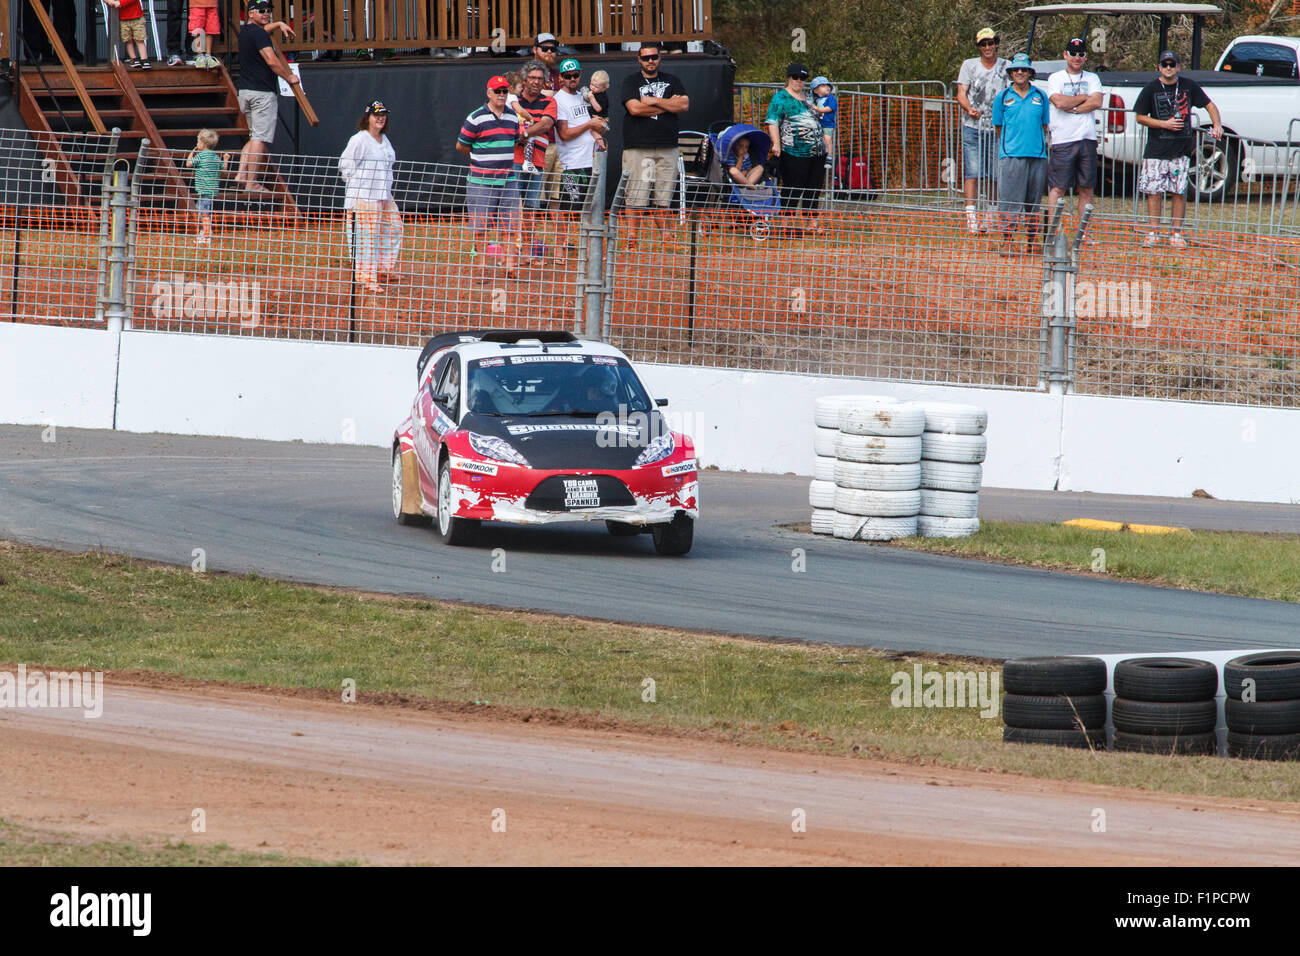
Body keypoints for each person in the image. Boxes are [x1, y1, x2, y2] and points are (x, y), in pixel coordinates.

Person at [1134, 50, 1223, 249]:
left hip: (1181, 150)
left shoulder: (1188, 86)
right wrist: (1163, 124)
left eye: (1172, 64)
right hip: (1156, 151)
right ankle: (1154, 232)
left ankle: (1176, 233)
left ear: (1178, 67)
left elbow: (1209, 105)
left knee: (1179, 192)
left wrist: (1217, 124)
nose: (1168, 68)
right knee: (1154, 192)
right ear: (1159, 67)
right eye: (1164, 64)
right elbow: (1140, 116)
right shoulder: (1151, 88)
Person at [456, 75, 524, 276]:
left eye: (504, 91)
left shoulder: (513, 117)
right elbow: (461, 145)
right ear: (488, 93)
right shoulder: (475, 117)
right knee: (480, 226)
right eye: (497, 91)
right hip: (480, 181)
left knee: (510, 225)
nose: (501, 95)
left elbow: (514, 141)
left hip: (508, 179)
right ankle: (483, 267)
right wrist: (478, 158)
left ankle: (510, 267)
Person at [621, 41, 690, 232]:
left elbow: (683, 105)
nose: (650, 61)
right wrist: (668, 104)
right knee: (636, 196)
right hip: (639, 147)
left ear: (660, 57)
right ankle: (632, 239)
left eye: (654, 57)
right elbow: (634, 109)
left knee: (664, 196)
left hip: (668, 146)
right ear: (639, 59)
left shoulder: (673, 80)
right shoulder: (631, 82)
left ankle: (666, 238)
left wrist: (654, 101)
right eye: (646, 58)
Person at [235, 0, 299, 194]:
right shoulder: (260, 34)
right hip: (261, 93)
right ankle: (251, 182)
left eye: (268, 11)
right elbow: (272, 61)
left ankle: (241, 174)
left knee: (254, 135)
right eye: (261, 11)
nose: (266, 14)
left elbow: (262, 31)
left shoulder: (246, 31)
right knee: (260, 138)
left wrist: (278, 24)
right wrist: (289, 77)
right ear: (251, 13)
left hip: (245, 91)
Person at [340, 100, 402, 294]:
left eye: (383, 114)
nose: (380, 118)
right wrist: (357, 188)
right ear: (368, 118)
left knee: (394, 228)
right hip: (364, 196)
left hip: (383, 194)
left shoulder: (384, 139)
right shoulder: (359, 139)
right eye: (376, 115)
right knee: (367, 237)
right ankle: (367, 277)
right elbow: (345, 164)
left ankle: (383, 268)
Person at [992, 53, 1050, 256]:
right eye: (1016, 69)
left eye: (1023, 69)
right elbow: (998, 127)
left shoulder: (1040, 96)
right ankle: (1007, 242)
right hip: (1011, 156)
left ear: (1029, 73)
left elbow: (1044, 125)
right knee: (1009, 200)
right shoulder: (1002, 97)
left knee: (1033, 201)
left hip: (1037, 156)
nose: (1019, 72)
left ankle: (1032, 243)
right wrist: (1011, 145)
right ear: (1011, 73)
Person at [956, 28, 1009, 233]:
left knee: (996, 173)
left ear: (996, 43)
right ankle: (971, 218)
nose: (987, 47)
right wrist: (969, 108)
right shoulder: (969, 65)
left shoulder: (1008, 66)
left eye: (990, 43)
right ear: (978, 47)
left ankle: (990, 216)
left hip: (996, 129)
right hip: (973, 127)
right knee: (973, 171)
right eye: (983, 44)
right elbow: (961, 92)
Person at [1046, 37, 1103, 220]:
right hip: (1063, 140)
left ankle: (1084, 234)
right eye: (1073, 53)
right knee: (1058, 188)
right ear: (1065, 55)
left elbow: (1097, 101)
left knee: (1086, 187)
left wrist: (1075, 108)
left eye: (1081, 54)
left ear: (1085, 57)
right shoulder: (1056, 78)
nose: (1077, 57)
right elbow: (1059, 102)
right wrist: (1084, 97)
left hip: (1087, 139)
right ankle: (1052, 233)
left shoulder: (1092, 77)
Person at [765, 62, 826, 227]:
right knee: (793, 185)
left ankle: (811, 220)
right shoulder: (781, 97)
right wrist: (776, 143)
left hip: (818, 151)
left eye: (803, 78)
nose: (799, 81)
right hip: (793, 150)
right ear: (789, 78)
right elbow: (772, 121)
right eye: (796, 77)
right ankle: (786, 220)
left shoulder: (808, 98)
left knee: (813, 186)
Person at [511, 61, 559, 262]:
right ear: (524, 79)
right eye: (532, 78)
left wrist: (523, 134)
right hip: (514, 159)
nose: (536, 82)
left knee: (531, 207)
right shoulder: (512, 100)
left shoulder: (549, 103)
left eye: (540, 78)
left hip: (536, 161)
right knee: (513, 206)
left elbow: (546, 125)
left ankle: (528, 251)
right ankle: (513, 251)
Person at [554, 58, 608, 223]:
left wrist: (599, 126)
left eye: (575, 75)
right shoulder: (558, 99)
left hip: (592, 162)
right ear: (561, 78)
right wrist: (590, 124)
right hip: (572, 165)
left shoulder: (584, 96)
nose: (572, 79)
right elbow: (564, 134)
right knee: (569, 212)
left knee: (592, 209)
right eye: (567, 75)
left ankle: (588, 248)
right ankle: (563, 248)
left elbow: (600, 124)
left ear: (580, 75)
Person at [532, 33, 564, 205]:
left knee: (556, 195)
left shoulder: (560, 75)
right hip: (538, 141)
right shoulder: (525, 74)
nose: (550, 52)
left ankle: (559, 233)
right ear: (535, 50)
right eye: (545, 49)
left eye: (553, 49)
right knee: (534, 195)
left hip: (560, 139)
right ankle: (531, 232)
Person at [186, 129, 228, 245]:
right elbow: (223, 168)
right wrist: (225, 160)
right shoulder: (215, 156)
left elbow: (188, 164)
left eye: (198, 142)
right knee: (201, 210)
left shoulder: (200, 156)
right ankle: (207, 231)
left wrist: (191, 153)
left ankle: (206, 236)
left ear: (203, 144)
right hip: (211, 189)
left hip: (204, 188)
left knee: (204, 213)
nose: (196, 144)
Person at [105, 0, 152, 69]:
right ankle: (133, 58)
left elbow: (122, 3)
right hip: (123, 19)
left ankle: (144, 59)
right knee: (128, 40)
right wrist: (110, 1)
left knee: (139, 39)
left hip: (136, 17)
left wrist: (119, 3)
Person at [809, 75, 837, 163]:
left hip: (828, 123)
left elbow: (830, 108)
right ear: (816, 90)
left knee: (827, 139)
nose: (827, 87)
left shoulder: (831, 98)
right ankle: (818, 155)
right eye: (823, 86)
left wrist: (817, 109)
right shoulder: (816, 100)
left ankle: (829, 156)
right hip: (818, 123)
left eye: (827, 85)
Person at [189, 0, 220, 68]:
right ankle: (200, 56)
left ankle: (208, 55)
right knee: (197, 29)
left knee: (211, 28)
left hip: (212, 3)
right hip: (196, 3)